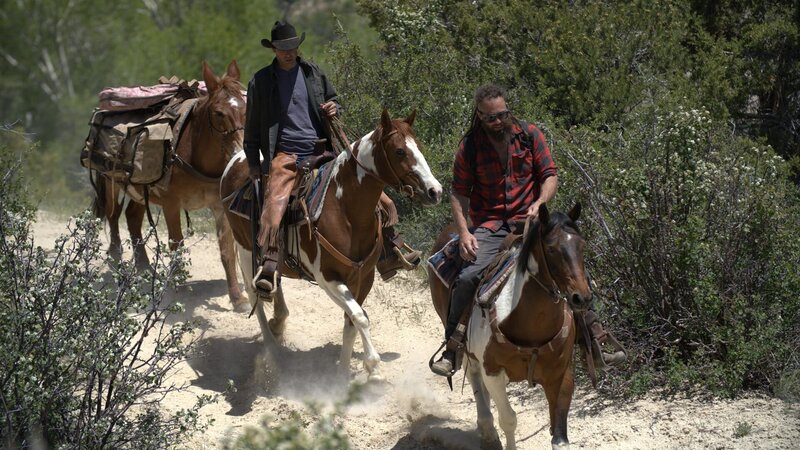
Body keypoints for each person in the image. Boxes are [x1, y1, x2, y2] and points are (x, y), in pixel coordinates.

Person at [430, 84, 623, 377]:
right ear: (479, 117)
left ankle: (595, 336)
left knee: (569, 262)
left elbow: (549, 175)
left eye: (502, 114)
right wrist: (465, 232)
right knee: (468, 277)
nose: (498, 121)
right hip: (490, 225)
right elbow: (458, 194)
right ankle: (453, 346)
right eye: (491, 118)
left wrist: (540, 201)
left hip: (531, 221)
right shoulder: (469, 146)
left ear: (508, 110)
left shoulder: (531, 135)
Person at [244, 20, 421, 295]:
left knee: (376, 193)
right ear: (274, 49)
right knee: (275, 203)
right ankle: (269, 263)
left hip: (322, 149)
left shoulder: (312, 72)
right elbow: (253, 127)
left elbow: (334, 98)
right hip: (285, 155)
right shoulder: (261, 81)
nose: (288, 52)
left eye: (292, 47)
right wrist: (254, 164)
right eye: (282, 48)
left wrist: (333, 107)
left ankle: (390, 250)